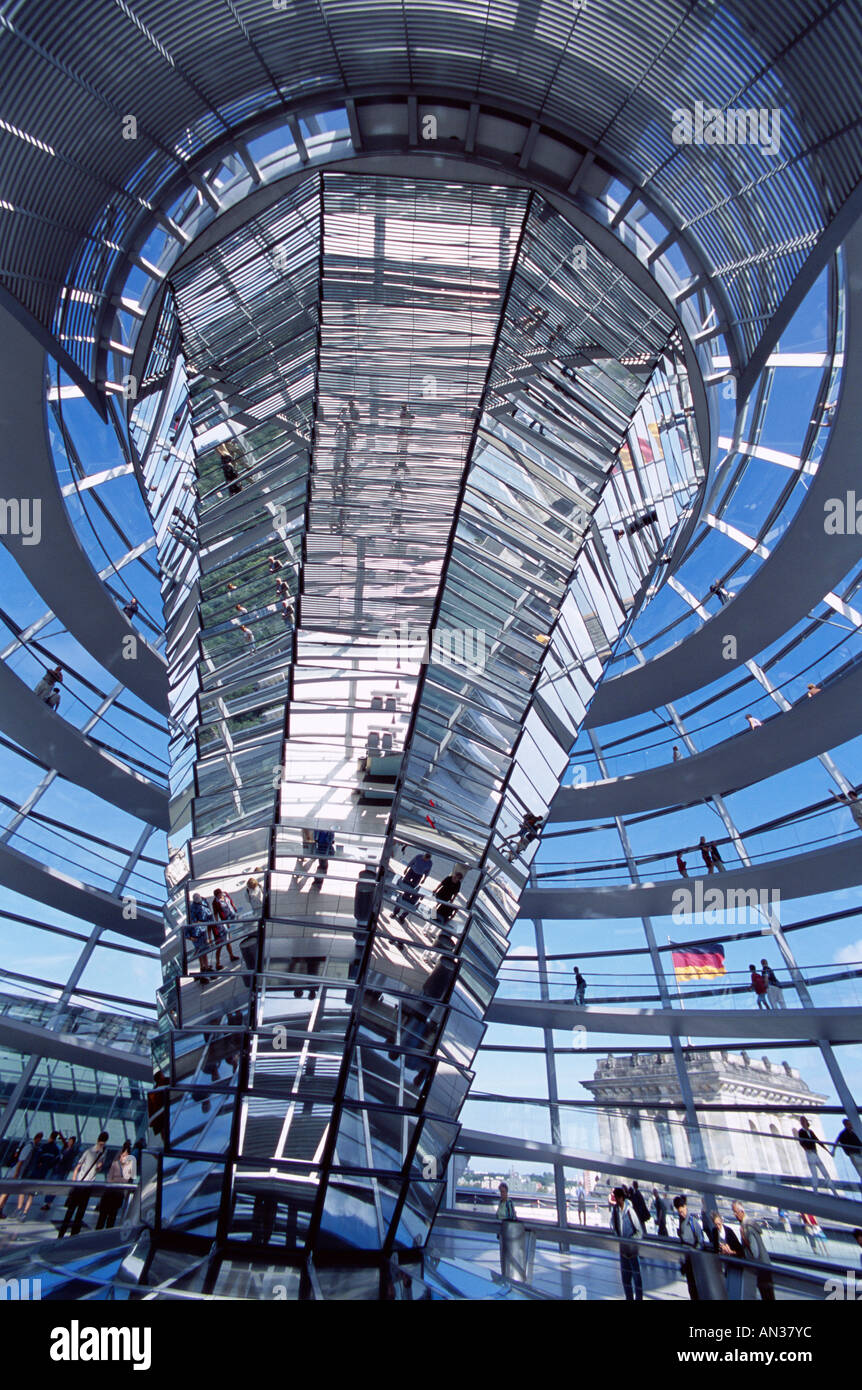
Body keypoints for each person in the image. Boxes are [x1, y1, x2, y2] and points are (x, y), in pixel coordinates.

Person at [57, 1131, 108, 1238]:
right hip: (82, 1184)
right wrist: (75, 1179)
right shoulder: (89, 1151)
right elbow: (78, 1167)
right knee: (73, 1210)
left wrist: (99, 1166)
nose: (102, 1145)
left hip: (86, 1184)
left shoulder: (102, 1153)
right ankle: (64, 1233)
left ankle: (72, 1234)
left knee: (79, 1211)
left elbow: (97, 1168)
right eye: (101, 1143)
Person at [731, 1200, 774, 1300]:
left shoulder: (748, 1228)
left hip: (760, 1267)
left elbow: (754, 1252)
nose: (734, 1215)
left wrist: (744, 1248)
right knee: (768, 1295)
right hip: (765, 1265)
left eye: (735, 1212)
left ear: (741, 1211)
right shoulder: (748, 1225)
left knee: (767, 1295)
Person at [610, 1185, 644, 1300]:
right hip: (623, 1249)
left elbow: (639, 1231)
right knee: (626, 1278)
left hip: (632, 1249)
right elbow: (613, 1225)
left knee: (636, 1276)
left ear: (621, 1198)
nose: (615, 1200)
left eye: (616, 1197)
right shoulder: (615, 1211)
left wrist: (631, 1241)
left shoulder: (630, 1211)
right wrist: (617, 1236)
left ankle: (638, 1298)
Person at [0, 1130, 43, 1219]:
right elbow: (21, 1160)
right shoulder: (29, 1147)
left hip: (17, 1172)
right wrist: (17, 1173)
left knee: (7, 1193)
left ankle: (1, 1209)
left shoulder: (32, 1147)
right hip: (15, 1172)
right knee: (6, 1192)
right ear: (38, 1138)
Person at [96, 1140, 136, 1229]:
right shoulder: (116, 1164)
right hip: (114, 1193)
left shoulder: (128, 1166)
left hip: (115, 1194)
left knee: (109, 1217)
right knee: (107, 1217)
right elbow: (112, 1178)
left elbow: (111, 1179)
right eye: (123, 1155)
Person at [796, 1115, 840, 1196]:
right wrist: (806, 1149)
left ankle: (833, 1191)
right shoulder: (801, 1132)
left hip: (814, 1153)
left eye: (804, 1121)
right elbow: (801, 1142)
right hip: (810, 1153)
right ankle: (816, 1191)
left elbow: (817, 1141)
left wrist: (827, 1151)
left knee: (824, 1171)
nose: (803, 1123)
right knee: (815, 1173)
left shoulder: (810, 1132)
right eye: (802, 1121)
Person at [674, 1194, 706, 1300]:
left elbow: (700, 1241)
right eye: (679, 1212)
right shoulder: (681, 1221)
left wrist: (694, 1253)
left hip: (694, 1260)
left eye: (682, 1211)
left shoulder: (693, 1222)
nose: (681, 1214)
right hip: (687, 1261)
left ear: (685, 1207)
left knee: (696, 1288)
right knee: (691, 1288)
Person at [393, 848, 433, 922]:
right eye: (424, 858)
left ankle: (402, 916)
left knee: (410, 890)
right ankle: (395, 913)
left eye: (426, 859)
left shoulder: (430, 863)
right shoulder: (418, 856)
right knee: (404, 887)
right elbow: (411, 862)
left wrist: (424, 878)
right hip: (411, 872)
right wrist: (406, 869)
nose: (425, 860)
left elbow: (427, 871)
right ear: (424, 855)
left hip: (418, 876)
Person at [42, 1135, 77, 1212]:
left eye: (71, 1141)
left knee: (54, 1186)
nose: (69, 1143)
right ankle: (47, 1202)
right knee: (51, 1185)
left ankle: (48, 1203)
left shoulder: (71, 1152)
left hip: (61, 1170)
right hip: (57, 1169)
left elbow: (65, 1160)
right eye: (69, 1141)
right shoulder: (65, 1149)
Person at [210, 888, 240, 968]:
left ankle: (231, 955)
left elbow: (231, 902)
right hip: (223, 922)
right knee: (220, 944)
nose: (220, 896)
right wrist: (217, 924)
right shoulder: (215, 903)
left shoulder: (225, 894)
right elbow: (215, 914)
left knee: (228, 940)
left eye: (220, 894)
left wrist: (236, 910)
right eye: (218, 895)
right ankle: (217, 963)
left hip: (230, 917)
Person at [186, 893, 211, 974]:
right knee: (202, 952)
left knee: (203, 952)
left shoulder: (203, 901)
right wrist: (191, 938)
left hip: (202, 932)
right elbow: (186, 933)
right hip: (197, 937)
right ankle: (205, 967)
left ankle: (204, 967)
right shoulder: (192, 911)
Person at [832, 1118, 862, 1185]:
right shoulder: (843, 1134)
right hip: (853, 1154)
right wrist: (833, 1151)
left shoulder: (852, 1132)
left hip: (858, 1152)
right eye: (849, 1124)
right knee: (860, 1170)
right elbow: (837, 1141)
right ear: (846, 1125)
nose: (850, 1126)